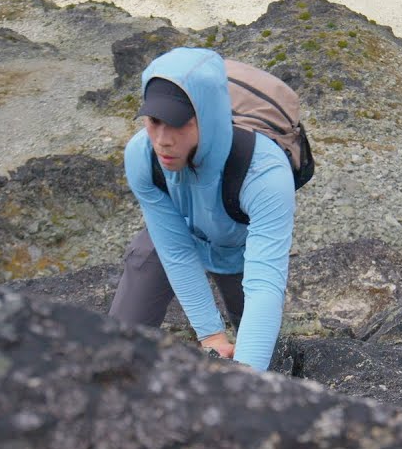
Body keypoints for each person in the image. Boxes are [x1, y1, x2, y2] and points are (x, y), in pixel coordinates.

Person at [109, 47, 296, 371]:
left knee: (262, 352)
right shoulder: (142, 155)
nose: (163, 140)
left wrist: (243, 384)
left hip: (240, 248)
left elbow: (264, 283)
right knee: (117, 341)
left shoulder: (265, 174)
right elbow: (176, 250)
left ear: (207, 118)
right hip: (180, 230)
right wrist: (210, 335)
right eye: (154, 121)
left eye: (178, 123)